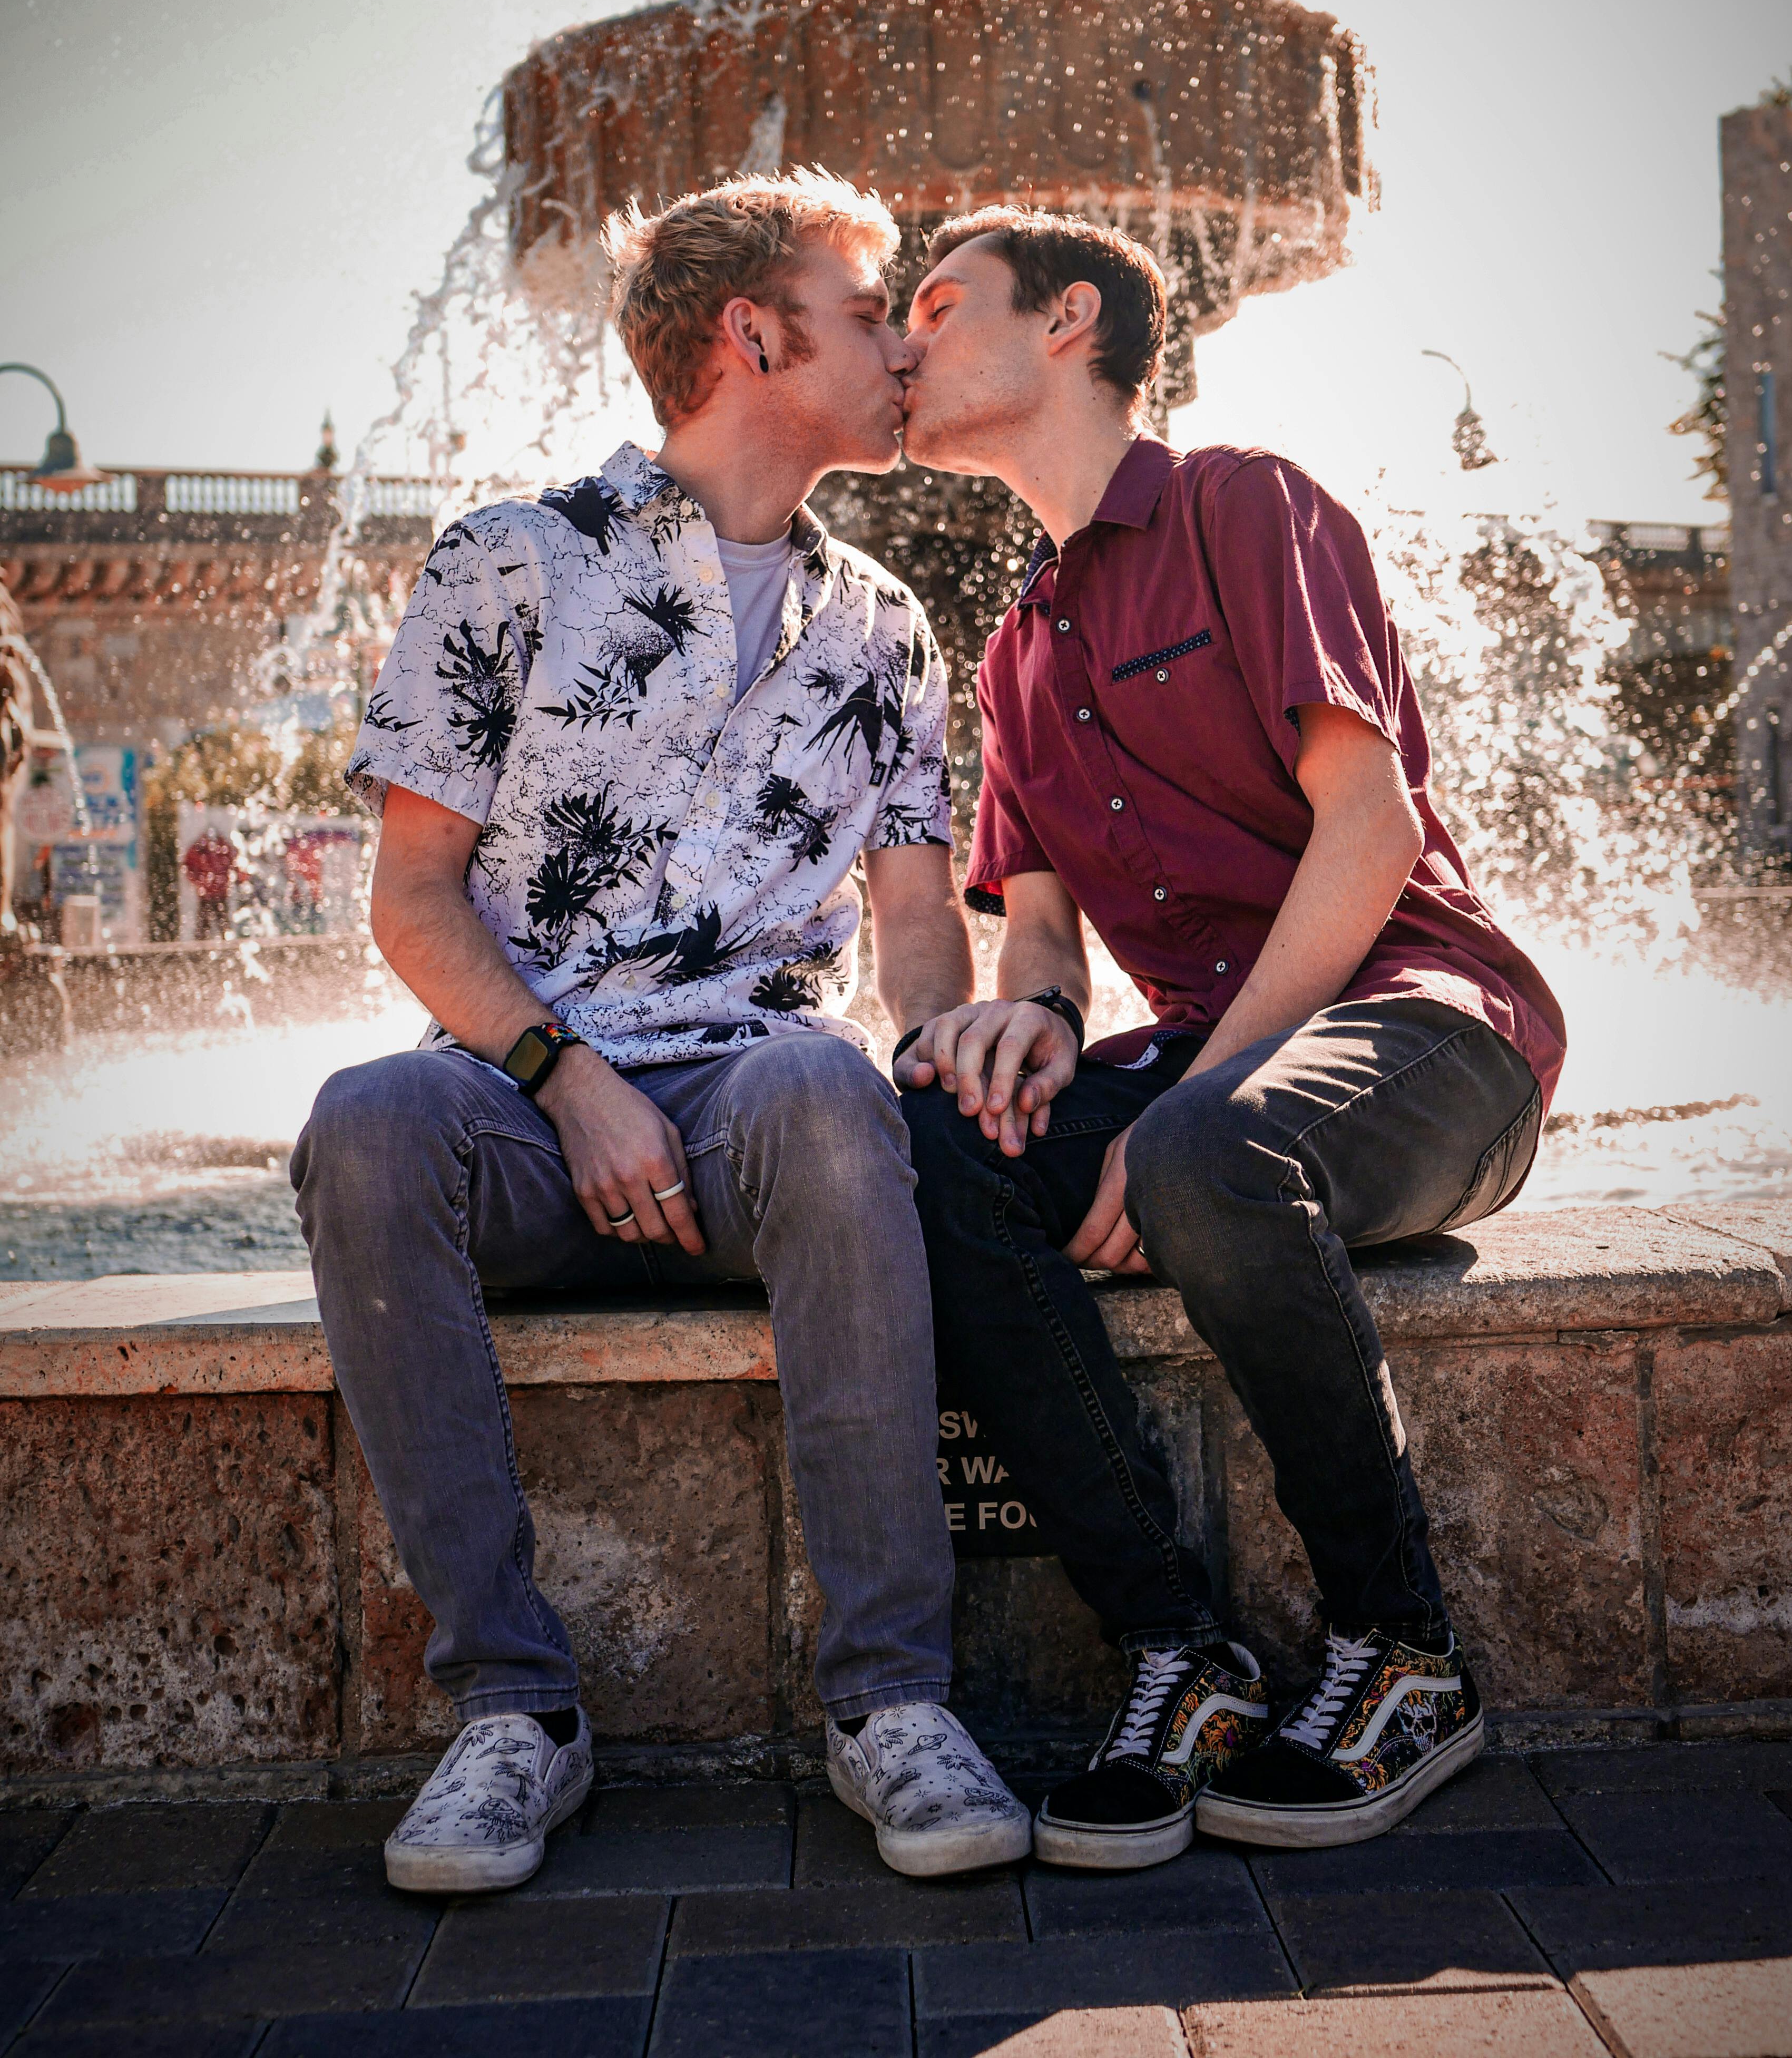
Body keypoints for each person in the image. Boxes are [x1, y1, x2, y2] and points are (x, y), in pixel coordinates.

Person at [293, 172, 1031, 1894]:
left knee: (828, 1084)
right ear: (753, 335)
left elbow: (917, 917)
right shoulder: (511, 558)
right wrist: (568, 1084)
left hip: (761, 1116)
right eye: (871, 314)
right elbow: (413, 903)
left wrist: (956, 1047)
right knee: (364, 1120)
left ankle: (893, 1702)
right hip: (522, 1106)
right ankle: (512, 1713)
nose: (904, 351)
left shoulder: (886, 628)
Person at [893, 206, 1566, 1866]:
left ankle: (1404, 1652)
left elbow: (1371, 830)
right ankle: (1178, 1653)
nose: (900, 340)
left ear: (1067, 320)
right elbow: (1039, 933)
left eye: (937, 303)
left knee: (1203, 1144)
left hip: (1433, 1035)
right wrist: (1031, 1030)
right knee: (930, 1140)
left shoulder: (1243, 504)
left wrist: (1186, 1096)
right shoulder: (1014, 656)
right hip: (1227, 1084)